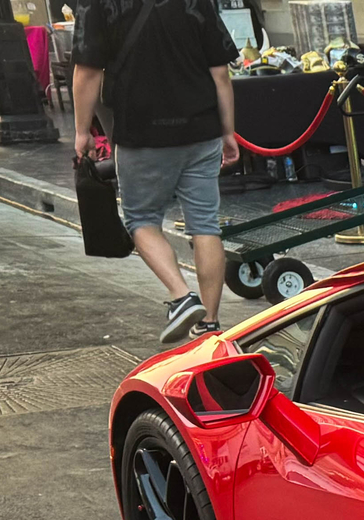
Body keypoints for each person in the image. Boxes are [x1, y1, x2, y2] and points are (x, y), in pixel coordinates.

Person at [71, 0, 241, 342]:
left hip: (142, 132)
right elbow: (220, 72)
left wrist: (80, 131)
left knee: (141, 219)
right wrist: (227, 130)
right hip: (201, 129)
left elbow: (88, 72)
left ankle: (182, 297)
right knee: (205, 224)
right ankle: (209, 324)